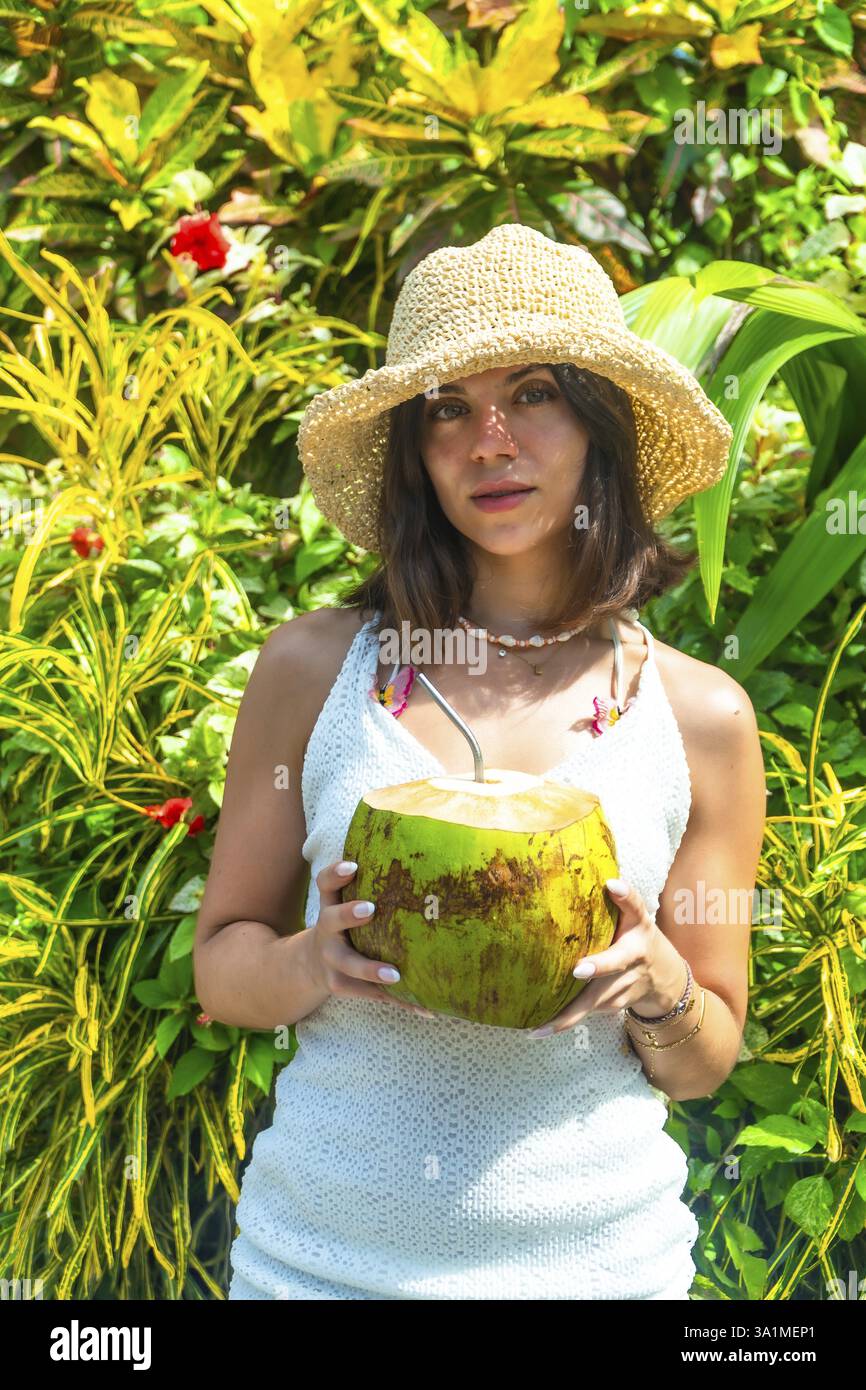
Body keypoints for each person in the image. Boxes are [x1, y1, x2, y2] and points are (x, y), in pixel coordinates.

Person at [194, 223, 766, 1300]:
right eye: (447, 407)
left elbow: (704, 1056)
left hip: (598, 1272)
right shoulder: (314, 668)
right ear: (414, 447)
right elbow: (222, 967)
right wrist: (314, 960)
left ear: (600, 429)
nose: (489, 440)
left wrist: (657, 985)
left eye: (535, 393)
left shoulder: (698, 716)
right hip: (317, 1271)